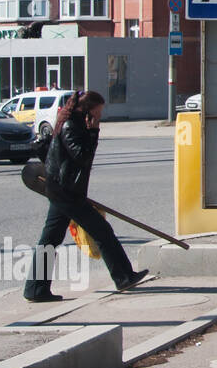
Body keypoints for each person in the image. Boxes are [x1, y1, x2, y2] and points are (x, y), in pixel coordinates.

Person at [24, 90, 149, 302]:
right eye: (99, 110)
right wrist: (94, 132)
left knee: (50, 238)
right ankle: (123, 277)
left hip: (62, 189)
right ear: (89, 109)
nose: (101, 114)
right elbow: (81, 157)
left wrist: (91, 131)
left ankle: (35, 289)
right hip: (66, 192)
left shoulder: (72, 123)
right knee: (101, 231)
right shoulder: (71, 125)